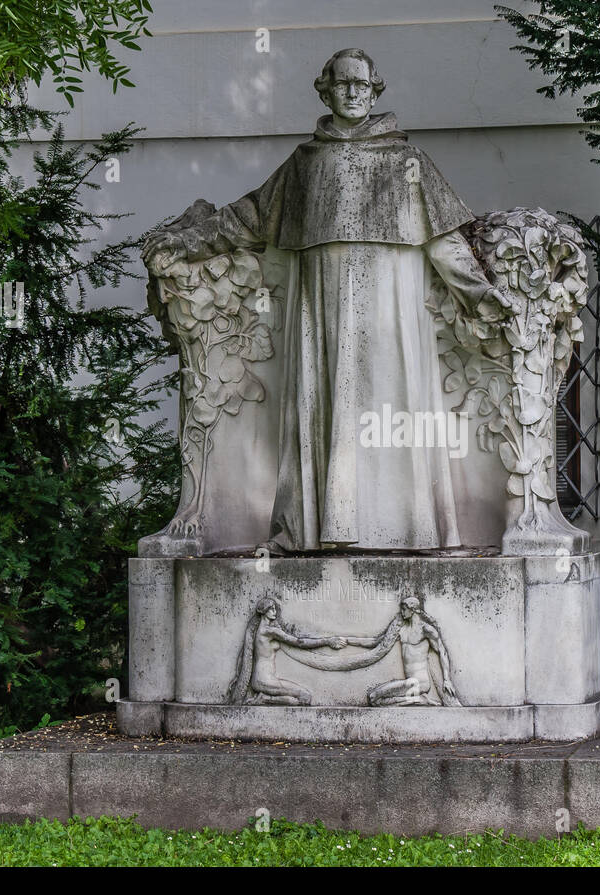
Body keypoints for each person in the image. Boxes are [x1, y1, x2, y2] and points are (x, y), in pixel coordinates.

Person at [143, 49, 511, 552]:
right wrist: (190, 242)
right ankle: (317, 528)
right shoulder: (305, 164)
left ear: (376, 90)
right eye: (343, 85)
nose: (354, 93)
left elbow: (443, 240)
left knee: (390, 410)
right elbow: (249, 217)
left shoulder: (406, 162)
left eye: (363, 85)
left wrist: (479, 294)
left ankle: (404, 528)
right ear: (326, 90)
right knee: (323, 406)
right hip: (320, 303)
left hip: (389, 307)